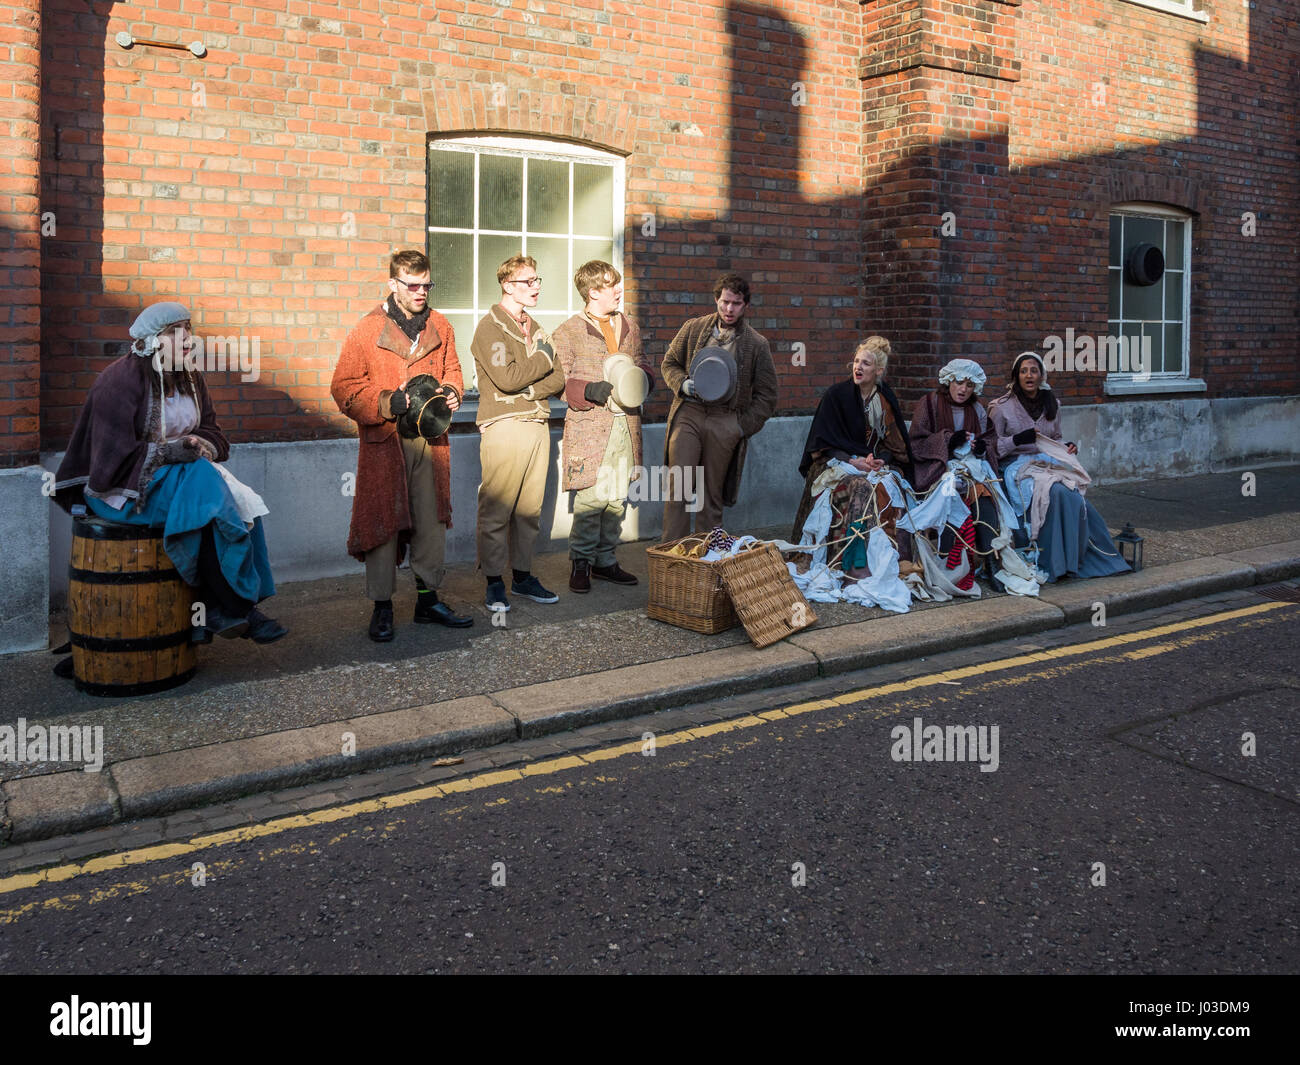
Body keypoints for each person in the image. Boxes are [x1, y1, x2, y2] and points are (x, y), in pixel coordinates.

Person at [54, 301, 286, 643]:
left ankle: (227, 607)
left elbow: (214, 432)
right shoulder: (118, 381)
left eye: (188, 330)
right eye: (175, 333)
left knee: (242, 501)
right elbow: (111, 458)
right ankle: (232, 606)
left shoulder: (191, 378)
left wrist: (200, 444)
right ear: (151, 341)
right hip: (124, 490)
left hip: (185, 478)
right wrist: (172, 452)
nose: (187, 340)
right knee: (206, 496)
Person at [332, 250, 472, 642]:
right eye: (413, 285)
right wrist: (382, 402)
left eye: (427, 285)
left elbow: (454, 371)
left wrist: (453, 392)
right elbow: (342, 387)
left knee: (431, 524)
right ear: (393, 284)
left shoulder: (441, 325)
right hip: (385, 443)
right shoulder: (366, 329)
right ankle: (382, 607)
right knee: (382, 524)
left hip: (431, 442)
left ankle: (428, 601)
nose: (421, 292)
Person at [470, 253, 566, 612]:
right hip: (505, 425)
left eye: (537, 280)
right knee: (497, 508)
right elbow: (506, 378)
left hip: (538, 422)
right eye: (529, 281)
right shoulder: (490, 327)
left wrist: (530, 389)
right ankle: (494, 583)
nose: (536, 287)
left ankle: (523, 577)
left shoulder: (536, 327)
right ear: (508, 286)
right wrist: (540, 360)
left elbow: (558, 377)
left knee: (529, 509)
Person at [987, 351, 1130, 582]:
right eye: (1023, 371)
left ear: (1041, 375)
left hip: (1047, 462)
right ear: (1016, 376)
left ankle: (1081, 557)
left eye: (1034, 370)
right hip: (1015, 467)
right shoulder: (1001, 407)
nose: (1029, 375)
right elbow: (990, 447)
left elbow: (1055, 438)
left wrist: (1067, 446)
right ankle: (1054, 562)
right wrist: (1017, 440)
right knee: (1058, 492)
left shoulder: (1051, 404)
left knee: (1074, 494)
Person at [553, 261, 651, 592]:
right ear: (593, 291)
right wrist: (587, 390)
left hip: (627, 425)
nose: (619, 291)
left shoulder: (630, 327)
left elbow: (642, 364)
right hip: (591, 427)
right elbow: (557, 381)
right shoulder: (568, 331)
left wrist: (645, 379)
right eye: (612, 286)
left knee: (617, 496)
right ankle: (581, 562)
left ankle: (605, 561)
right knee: (591, 498)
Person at [660, 273, 778, 542]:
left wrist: (738, 426)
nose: (729, 309)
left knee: (711, 496)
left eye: (736, 303)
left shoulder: (756, 344)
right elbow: (669, 363)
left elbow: (768, 396)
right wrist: (682, 384)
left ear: (745, 305)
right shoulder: (693, 328)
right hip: (689, 413)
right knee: (678, 487)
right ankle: (671, 558)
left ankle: (706, 560)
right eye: (725, 302)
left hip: (725, 419)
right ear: (716, 300)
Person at [791, 336, 915, 572]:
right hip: (835, 461)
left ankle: (896, 558)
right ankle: (845, 561)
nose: (858, 367)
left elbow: (895, 445)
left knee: (892, 484)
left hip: (872, 465)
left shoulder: (884, 399)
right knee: (859, 487)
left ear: (878, 370)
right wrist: (852, 460)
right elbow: (821, 441)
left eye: (866, 364)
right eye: (856, 362)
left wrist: (881, 460)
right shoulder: (836, 396)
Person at [909, 357, 1003, 588]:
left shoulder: (977, 410)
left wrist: (981, 448)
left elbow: (990, 441)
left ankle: (991, 560)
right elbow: (916, 442)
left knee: (983, 494)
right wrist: (948, 440)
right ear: (949, 380)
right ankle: (948, 563)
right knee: (949, 492)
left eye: (969, 385)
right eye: (959, 382)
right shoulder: (929, 403)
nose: (963, 389)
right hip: (937, 468)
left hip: (970, 469)